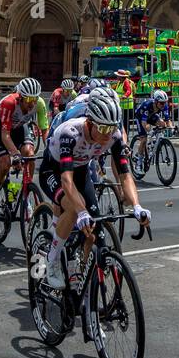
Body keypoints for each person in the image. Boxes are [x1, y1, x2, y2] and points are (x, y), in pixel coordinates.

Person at [38, 86, 150, 287]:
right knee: (74, 209)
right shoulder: (70, 132)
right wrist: (81, 211)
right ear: (89, 123)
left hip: (80, 170)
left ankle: (77, 270)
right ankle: (52, 259)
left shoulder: (113, 135)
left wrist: (137, 206)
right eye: (104, 129)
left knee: (94, 224)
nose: (108, 135)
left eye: (112, 128)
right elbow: (66, 179)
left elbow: (125, 174)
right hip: (54, 171)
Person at [0, 77, 41, 219]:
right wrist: (16, 154)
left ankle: (26, 194)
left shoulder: (38, 104)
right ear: (20, 97)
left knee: (29, 154)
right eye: (28, 100)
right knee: (5, 164)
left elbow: (44, 127)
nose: (32, 103)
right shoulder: (9, 103)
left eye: (35, 99)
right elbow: (5, 135)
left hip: (19, 127)